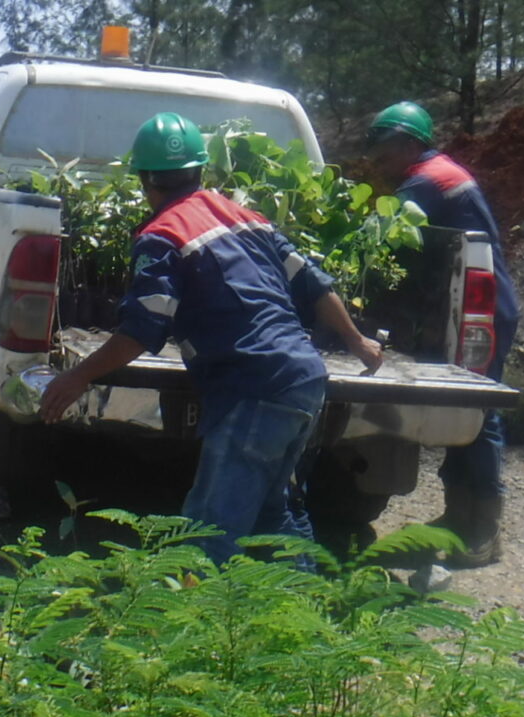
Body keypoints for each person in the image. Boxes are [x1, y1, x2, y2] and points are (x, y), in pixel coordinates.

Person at [39, 112, 382, 565]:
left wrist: (78, 376)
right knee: (271, 511)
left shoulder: (161, 235)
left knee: (208, 530)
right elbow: (313, 283)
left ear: (146, 180)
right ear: (200, 172)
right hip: (305, 377)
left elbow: (143, 329)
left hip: (255, 388)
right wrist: (358, 342)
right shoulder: (246, 219)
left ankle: (190, 620)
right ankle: (308, 604)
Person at [363, 101, 520, 566]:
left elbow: (383, 232)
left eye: (384, 150)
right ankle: (458, 517)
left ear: (411, 143)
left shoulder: (431, 179)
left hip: (484, 309)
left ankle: (484, 530)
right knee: (463, 409)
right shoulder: (434, 174)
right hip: (476, 304)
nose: (378, 161)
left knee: (480, 412)